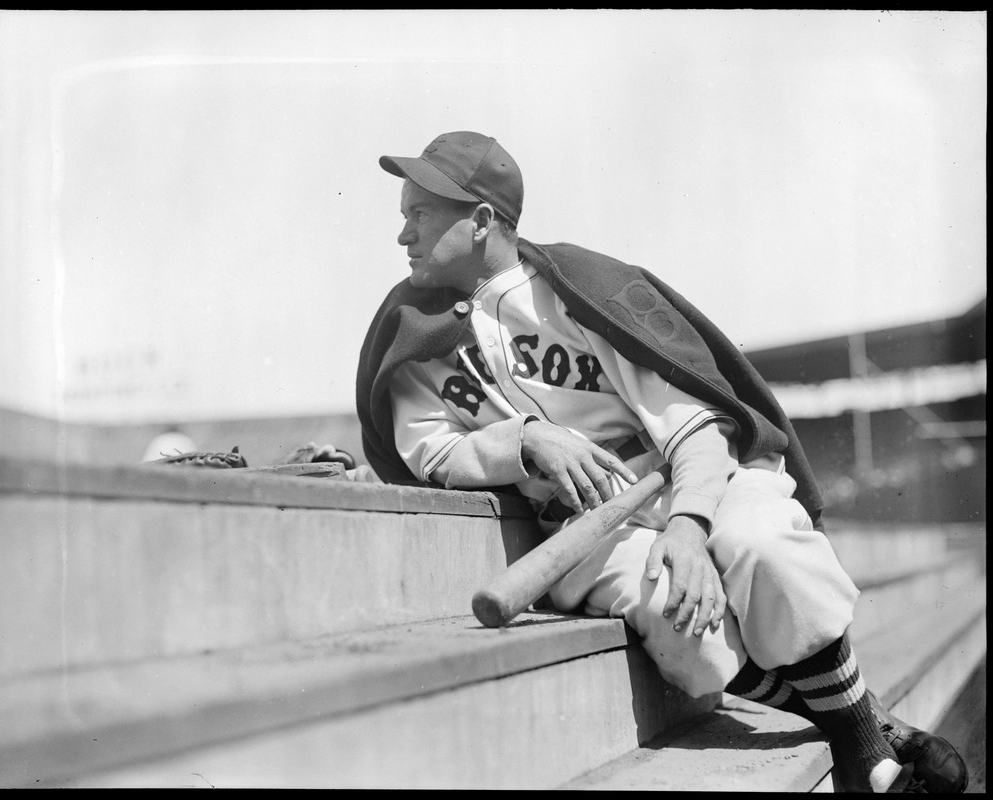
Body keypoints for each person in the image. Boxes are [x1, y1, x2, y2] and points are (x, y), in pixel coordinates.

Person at [355, 131, 968, 793]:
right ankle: (864, 720)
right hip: (583, 524)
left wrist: (688, 525)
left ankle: (865, 756)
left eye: (418, 214)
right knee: (686, 632)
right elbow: (430, 450)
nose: (403, 236)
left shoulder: (576, 288)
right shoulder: (408, 333)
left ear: (479, 220)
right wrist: (523, 438)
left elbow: (697, 425)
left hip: (683, 474)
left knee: (765, 545)